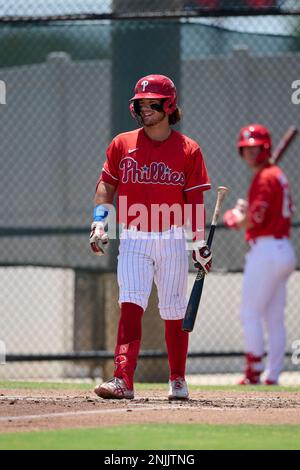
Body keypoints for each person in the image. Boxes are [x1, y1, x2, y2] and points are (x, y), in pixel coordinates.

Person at [89, 74, 212, 400]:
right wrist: (100, 222)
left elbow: (195, 202)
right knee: (130, 304)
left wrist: (198, 242)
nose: (145, 108)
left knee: (173, 310)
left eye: (152, 103)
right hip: (133, 236)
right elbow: (106, 187)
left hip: (172, 237)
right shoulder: (122, 143)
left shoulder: (189, 149)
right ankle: (122, 380)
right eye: (141, 103)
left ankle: (177, 379)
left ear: (169, 106)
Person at [223, 123, 297, 385]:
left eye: (256, 149)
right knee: (273, 315)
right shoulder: (275, 175)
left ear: (265, 149)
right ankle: (273, 374)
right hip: (283, 249)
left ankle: (254, 370)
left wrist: (235, 217)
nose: (251, 154)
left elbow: (255, 218)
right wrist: (247, 211)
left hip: (266, 250)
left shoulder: (266, 177)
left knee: (250, 312)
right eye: (247, 149)